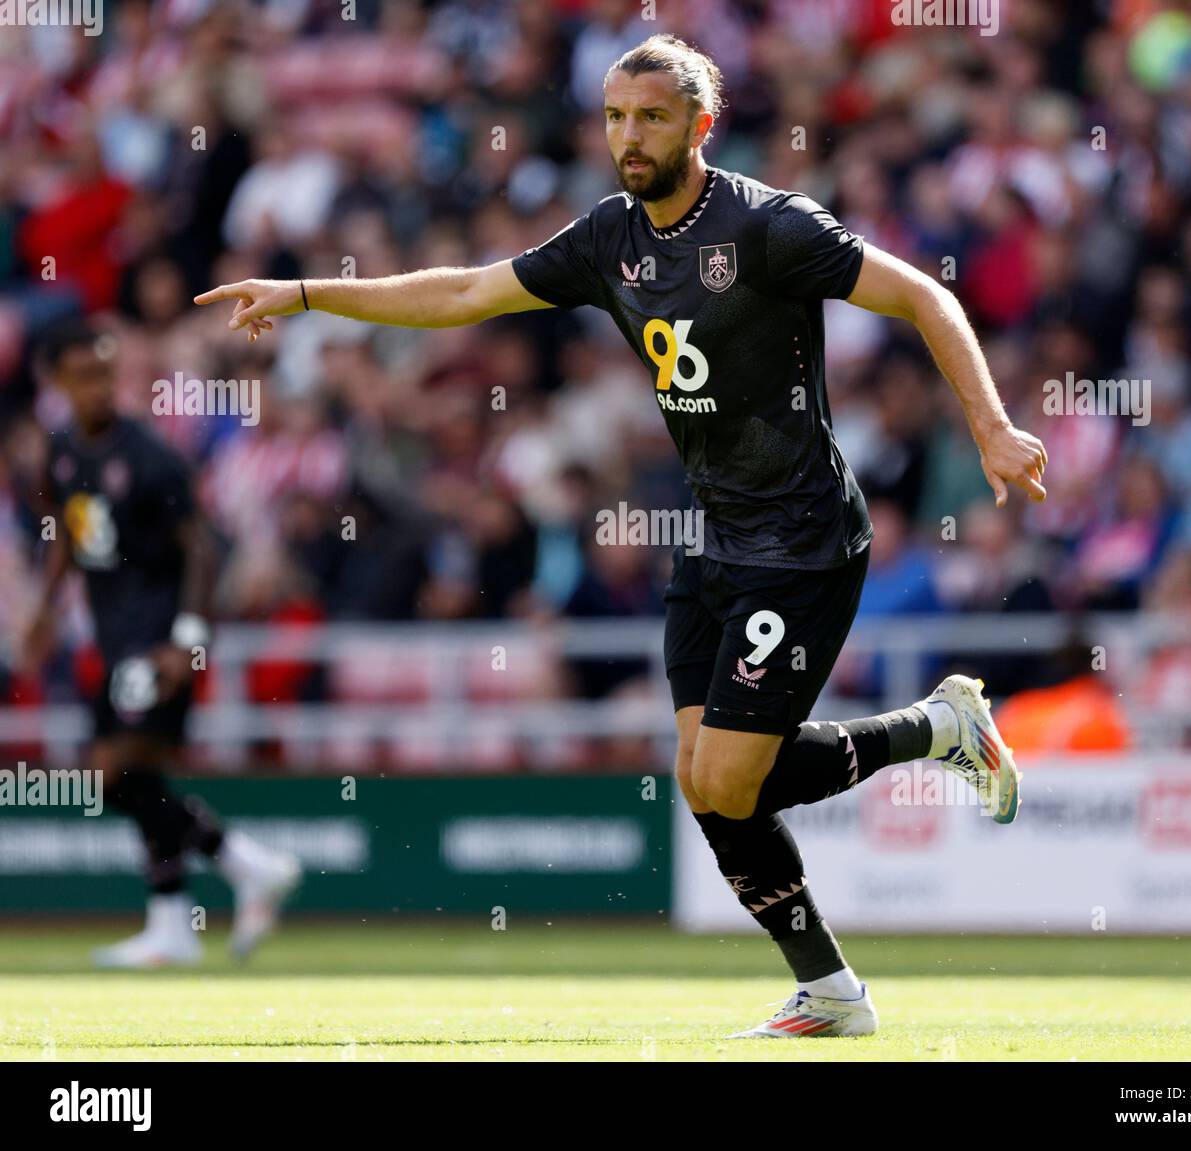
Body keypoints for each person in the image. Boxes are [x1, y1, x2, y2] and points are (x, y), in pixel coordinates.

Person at [195, 34, 1048, 1037]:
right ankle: (831, 988)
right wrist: (305, 294)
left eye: (648, 116)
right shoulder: (609, 238)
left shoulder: (768, 227)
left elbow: (924, 294)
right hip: (712, 535)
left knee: (730, 777)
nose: (626, 136)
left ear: (699, 123)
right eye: (612, 116)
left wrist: (990, 424)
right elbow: (468, 292)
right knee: (707, 780)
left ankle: (936, 737)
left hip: (804, 537)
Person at [24, 320, 301, 968]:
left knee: (115, 771)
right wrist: (43, 609)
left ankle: (232, 875)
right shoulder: (63, 449)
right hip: (114, 635)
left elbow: (202, 548)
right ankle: (194, 905)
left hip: (157, 637)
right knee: (124, 778)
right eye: (82, 375)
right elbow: (69, 530)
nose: (97, 387)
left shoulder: (149, 455)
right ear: (58, 382)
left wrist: (187, 640)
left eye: (103, 372)